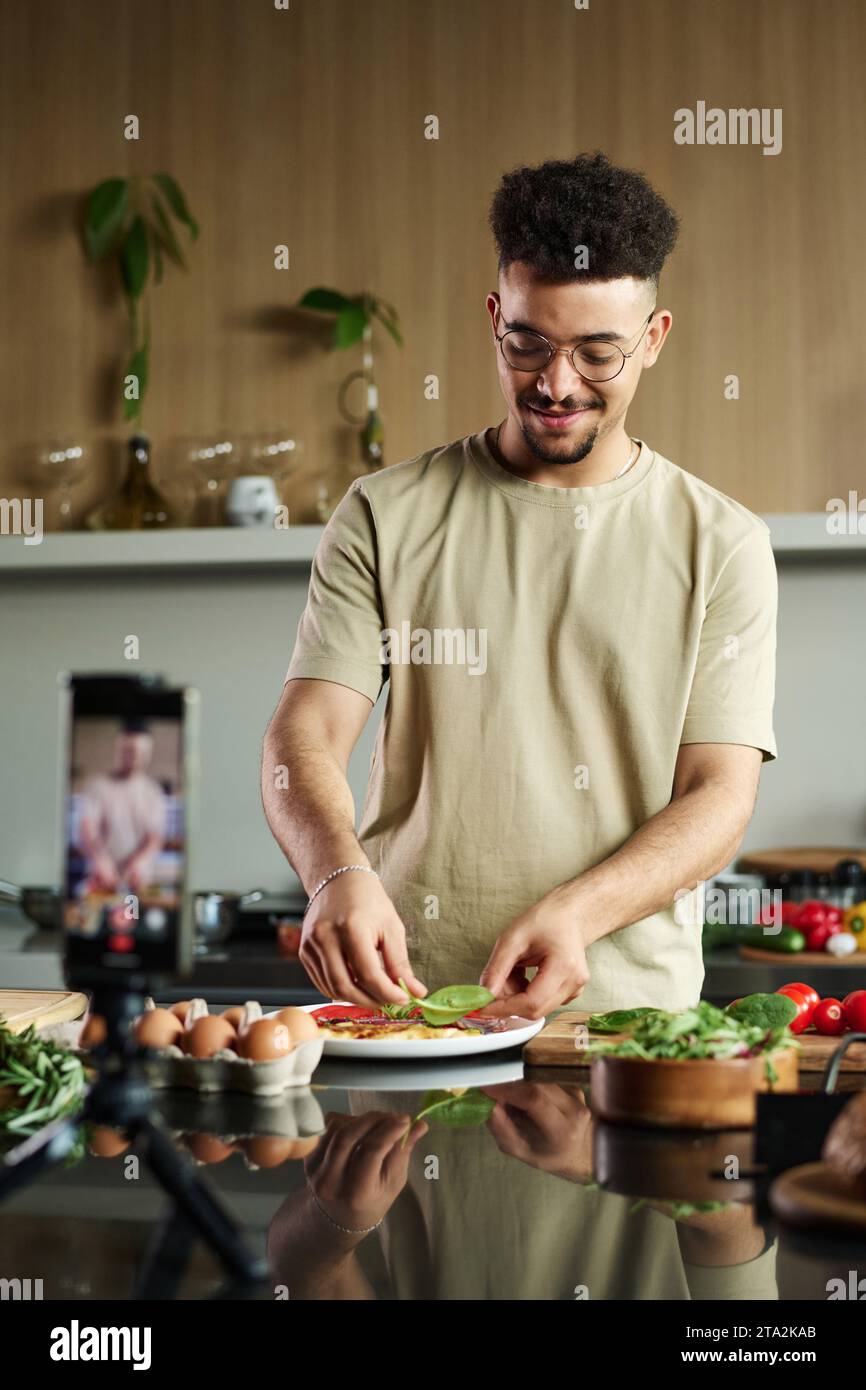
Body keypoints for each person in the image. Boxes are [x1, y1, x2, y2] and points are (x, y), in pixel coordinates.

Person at [262, 151, 777, 1019]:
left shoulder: (721, 541)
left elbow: (718, 794)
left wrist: (579, 913)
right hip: (413, 1011)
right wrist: (335, 872)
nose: (556, 383)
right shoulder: (384, 514)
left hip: (625, 1026)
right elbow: (303, 733)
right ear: (495, 318)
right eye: (528, 344)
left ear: (653, 340)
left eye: (597, 354)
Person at [77, 719, 167, 895]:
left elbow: (155, 837)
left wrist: (139, 863)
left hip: (137, 884)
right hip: (99, 880)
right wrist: (100, 860)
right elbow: (87, 828)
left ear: (148, 753)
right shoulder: (98, 786)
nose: (133, 756)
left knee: (132, 918)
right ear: (118, 749)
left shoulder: (153, 792)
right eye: (128, 750)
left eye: (139, 752)